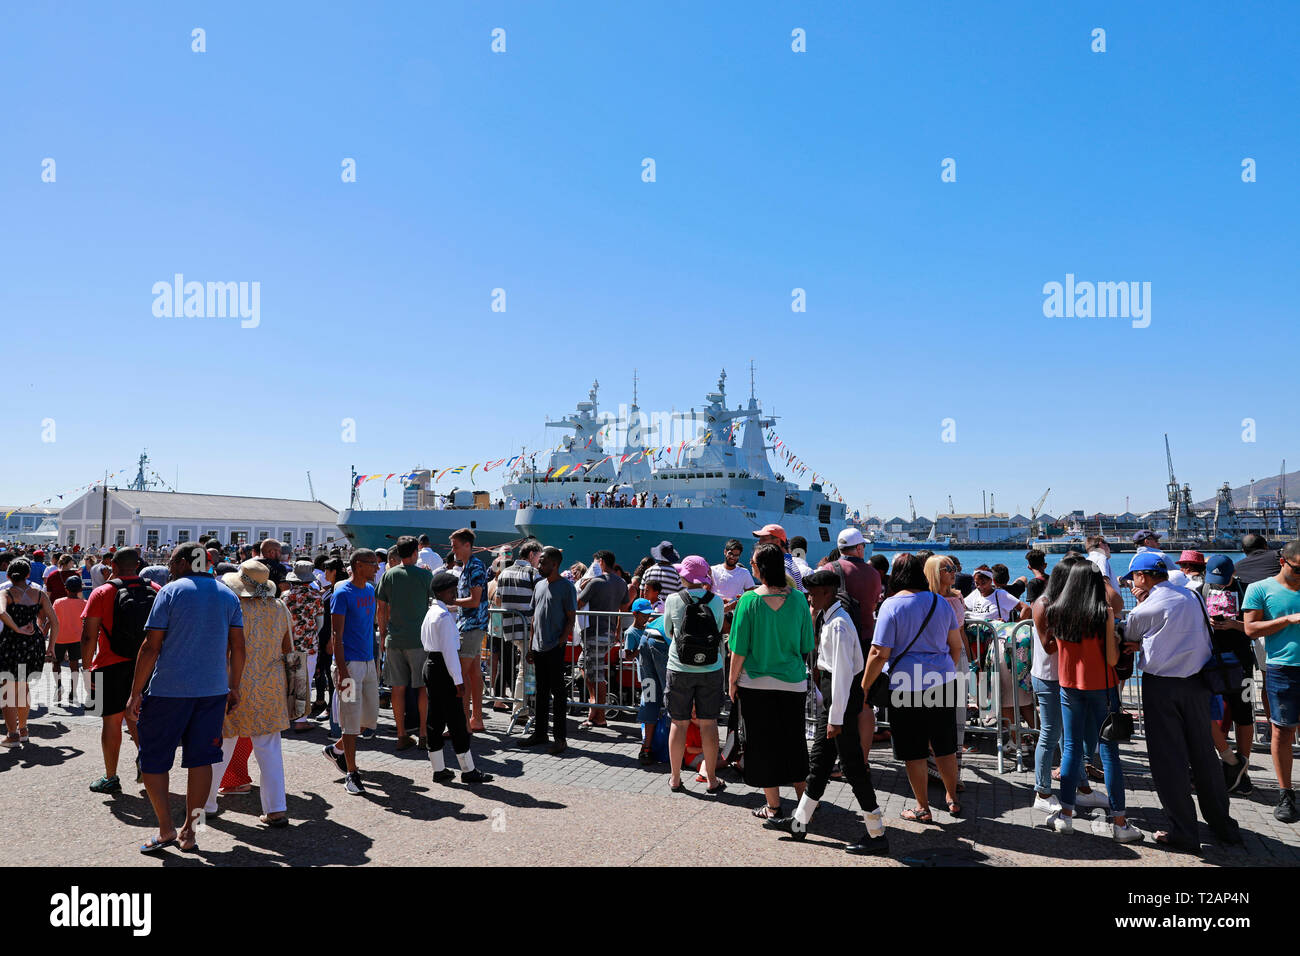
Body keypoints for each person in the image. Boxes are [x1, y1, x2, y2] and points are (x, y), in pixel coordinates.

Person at [130, 543, 245, 854]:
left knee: (154, 758)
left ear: (183, 562)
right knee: (202, 760)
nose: (168, 566)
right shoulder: (227, 594)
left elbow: (150, 647)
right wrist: (234, 687)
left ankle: (165, 829)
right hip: (213, 691)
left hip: (169, 690)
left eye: (171, 561)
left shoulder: (169, 592)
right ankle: (189, 833)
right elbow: (239, 647)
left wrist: (135, 692)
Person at [1123, 551, 1241, 851]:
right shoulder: (1193, 597)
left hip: (1162, 686)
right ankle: (1222, 824)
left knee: (1169, 760)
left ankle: (1184, 832)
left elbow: (1131, 637)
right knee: (1203, 754)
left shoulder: (1144, 609)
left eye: (1133, 577)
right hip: (1199, 682)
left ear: (1141, 577)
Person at [766, 569, 887, 854]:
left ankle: (877, 833)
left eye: (813, 593)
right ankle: (799, 822)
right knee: (820, 763)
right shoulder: (831, 618)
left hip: (840, 703)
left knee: (853, 768)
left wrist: (835, 718)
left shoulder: (838, 624)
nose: (809, 597)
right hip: (836, 701)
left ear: (827, 593)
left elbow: (844, 675)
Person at [861, 553, 964, 822]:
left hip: (905, 684)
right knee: (945, 745)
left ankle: (923, 807)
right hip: (941, 681)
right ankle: (952, 797)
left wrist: (865, 685)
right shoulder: (940, 603)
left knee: (913, 749)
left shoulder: (891, 606)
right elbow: (956, 646)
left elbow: (879, 653)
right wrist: (943, 669)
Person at [1043, 561, 1141, 841]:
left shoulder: (1057, 612)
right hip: (1103, 687)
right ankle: (1120, 822)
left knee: (1071, 749)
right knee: (1109, 753)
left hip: (1068, 686)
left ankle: (1065, 815)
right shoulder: (1104, 614)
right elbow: (1111, 659)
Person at [728, 543, 814, 819]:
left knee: (761, 745)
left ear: (761, 567)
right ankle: (805, 804)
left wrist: (732, 682)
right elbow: (806, 644)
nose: (751, 567)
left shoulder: (749, 601)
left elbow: (738, 649)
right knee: (794, 742)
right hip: (792, 681)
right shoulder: (800, 600)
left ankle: (774, 806)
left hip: (755, 683)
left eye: (752, 563)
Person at [204, 560, 291, 827]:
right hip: (270, 684)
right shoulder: (279, 607)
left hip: (234, 682)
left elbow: (221, 647)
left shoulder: (232, 606)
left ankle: (205, 803)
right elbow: (288, 647)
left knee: (221, 744)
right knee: (269, 749)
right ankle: (276, 809)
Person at [80, 548, 158, 790]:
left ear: (112, 566)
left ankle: (111, 777)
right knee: (139, 717)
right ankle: (147, 764)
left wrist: (85, 670)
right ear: (137, 565)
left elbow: (88, 636)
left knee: (110, 722)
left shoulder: (102, 592)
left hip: (109, 664)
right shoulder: (155, 589)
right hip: (146, 665)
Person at [1242, 540, 1300, 823]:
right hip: (1283, 669)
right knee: (1282, 732)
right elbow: (1251, 629)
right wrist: (1288, 620)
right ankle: (1286, 793)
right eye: (1298, 569)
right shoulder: (1260, 589)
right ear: (1283, 562)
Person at [420, 572, 493, 784]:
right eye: (452, 591)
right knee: (457, 721)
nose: (455, 595)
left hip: (431, 665)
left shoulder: (432, 612)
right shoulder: (443, 617)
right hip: (444, 668)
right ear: (443, 592)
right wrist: (458, 680)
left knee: (434, 719)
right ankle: (468, 770)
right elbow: (450, 653)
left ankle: (438, 768)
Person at [662, 556, 726, 794]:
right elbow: (718, 630)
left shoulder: (672, 600)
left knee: (678, 723)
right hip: (711, 668)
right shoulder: (717, 601)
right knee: (709, 724)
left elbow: (669, 631)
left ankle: (676, 779)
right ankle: (711, 780)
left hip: (679, 667)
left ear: (684, 576)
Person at [323, 549, 380, 796]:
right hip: (349, 666)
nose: (377, 569)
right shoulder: (342, 592)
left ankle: (336, 751)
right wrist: (343, 670)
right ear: (358, 565)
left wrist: (374, 662)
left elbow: (368, 627)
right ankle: (352, 773)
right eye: (372, 564)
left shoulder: (369, 590)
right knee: (349, 722)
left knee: (369, 721)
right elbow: (336, 634)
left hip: (367, 663)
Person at [1201, 555, 1254, 796]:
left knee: (1244, 714)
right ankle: (1225, 761)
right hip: (1212, 660)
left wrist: (1235, 625)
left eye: (1224, 579)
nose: (1220, 583)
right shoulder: (1202, 588)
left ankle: (1242, 767)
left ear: (1233, 573)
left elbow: (1257, 627)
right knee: (1210, 712)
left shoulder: (1246, 589)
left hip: (1241, 661)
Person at [376, 536, 432, 750]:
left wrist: (383, 636)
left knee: (397, 689)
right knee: (422, 688)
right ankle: (424, 733)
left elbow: (381, 607)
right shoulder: (424, 575)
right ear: (416, 551)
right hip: (418, 640)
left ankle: (401, 735)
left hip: (394, 639)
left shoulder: (389, 575)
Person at [523, 547, 576, 754]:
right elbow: (535, 618)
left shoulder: (566, 587)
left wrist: (561, 642)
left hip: (554, 647)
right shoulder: (539, 585)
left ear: (554, 564)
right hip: (538, 647)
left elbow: (571, 618)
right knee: (541, 691)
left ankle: (560, 738)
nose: (539, 565)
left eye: (543, 562)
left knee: (558, 693)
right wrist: (530, 646)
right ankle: (540, 733)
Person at [0, 559, 57, 746]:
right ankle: (23, 729)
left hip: (11, 644)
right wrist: (51, 647)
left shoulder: (6, 593)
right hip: (33, 644)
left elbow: (1, 612)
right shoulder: (39, 594)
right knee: (23, 688)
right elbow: (54, 621)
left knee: (8, 690)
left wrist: (16, 628)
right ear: (27, 575)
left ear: (8, 575)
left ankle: (12, 734)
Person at [576, 550, 628, 730]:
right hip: (609, 634)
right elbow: (624, 604)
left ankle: (600, 714)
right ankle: (595, 707)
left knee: (595, 674)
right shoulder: (621, 583)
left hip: (594, 634)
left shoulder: (595, 582)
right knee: (586, 666)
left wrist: (582, 586)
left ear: (601, 563)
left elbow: (578, 603)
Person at [493, 540, 542, 718]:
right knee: (526, 669)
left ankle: (525, 705)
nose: (539, 561)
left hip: (510, 628)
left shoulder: (504, 572)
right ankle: (521, 708)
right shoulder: (533, 573)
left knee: (525, 667)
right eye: (539, 556)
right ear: (531, 555)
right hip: (528, 628)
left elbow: (498, 601)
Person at [448, 529, 489, 733]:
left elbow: (474, 601)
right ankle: (475, 719)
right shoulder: (468, 566)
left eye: (455, 546)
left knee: (460, 676)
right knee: (472, 673)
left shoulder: (474, 567)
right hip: (470, 625)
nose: (453, 550)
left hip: (472, 626)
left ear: (467, 545)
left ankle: (462, 723)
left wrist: (451, 602)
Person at [282, 560, 326, 733]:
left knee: (289, 680)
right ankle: (300, 720)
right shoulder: (316, 596)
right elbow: (320, 623)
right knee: (305, 681)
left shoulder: (285, 596)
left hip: (289, 644)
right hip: (309, 645)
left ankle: (286, 716)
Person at [622, 598, 667, 764]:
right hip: (646, 675)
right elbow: (627, 655)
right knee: (649, 706)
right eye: (644, 615)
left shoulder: (650, 627)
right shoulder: (631, 633)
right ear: (635, 614)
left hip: (651, 674)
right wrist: (642, 648)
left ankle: (659, 746)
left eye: (649, 614)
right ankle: (646, 747)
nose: (647, 618)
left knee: (657, 705)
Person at [52, 574, 87, 706]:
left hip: (59, 637)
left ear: (66, 589)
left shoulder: (58, 602)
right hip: (76, 638)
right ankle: (73, 692)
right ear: (80, 589)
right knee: (74, 665)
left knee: (56, 664)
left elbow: (53, 620)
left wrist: (44, 632)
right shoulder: (84, 603)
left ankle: (59, 686)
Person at [710, 539, 755, 632]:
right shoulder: (713, 570)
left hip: (735, 618)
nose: (733, 557)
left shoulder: (744, 572)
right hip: (714, 614)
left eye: (736, 555)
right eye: (730, 554)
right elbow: (706, 591)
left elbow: (751, 594)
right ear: (725, 552)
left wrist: (738, 601)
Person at [752, 524, 804, 592]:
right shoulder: (787, 563)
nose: (759, 542)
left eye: (764, 539)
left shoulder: (782, 566)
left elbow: (782, 595)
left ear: (777, 541)